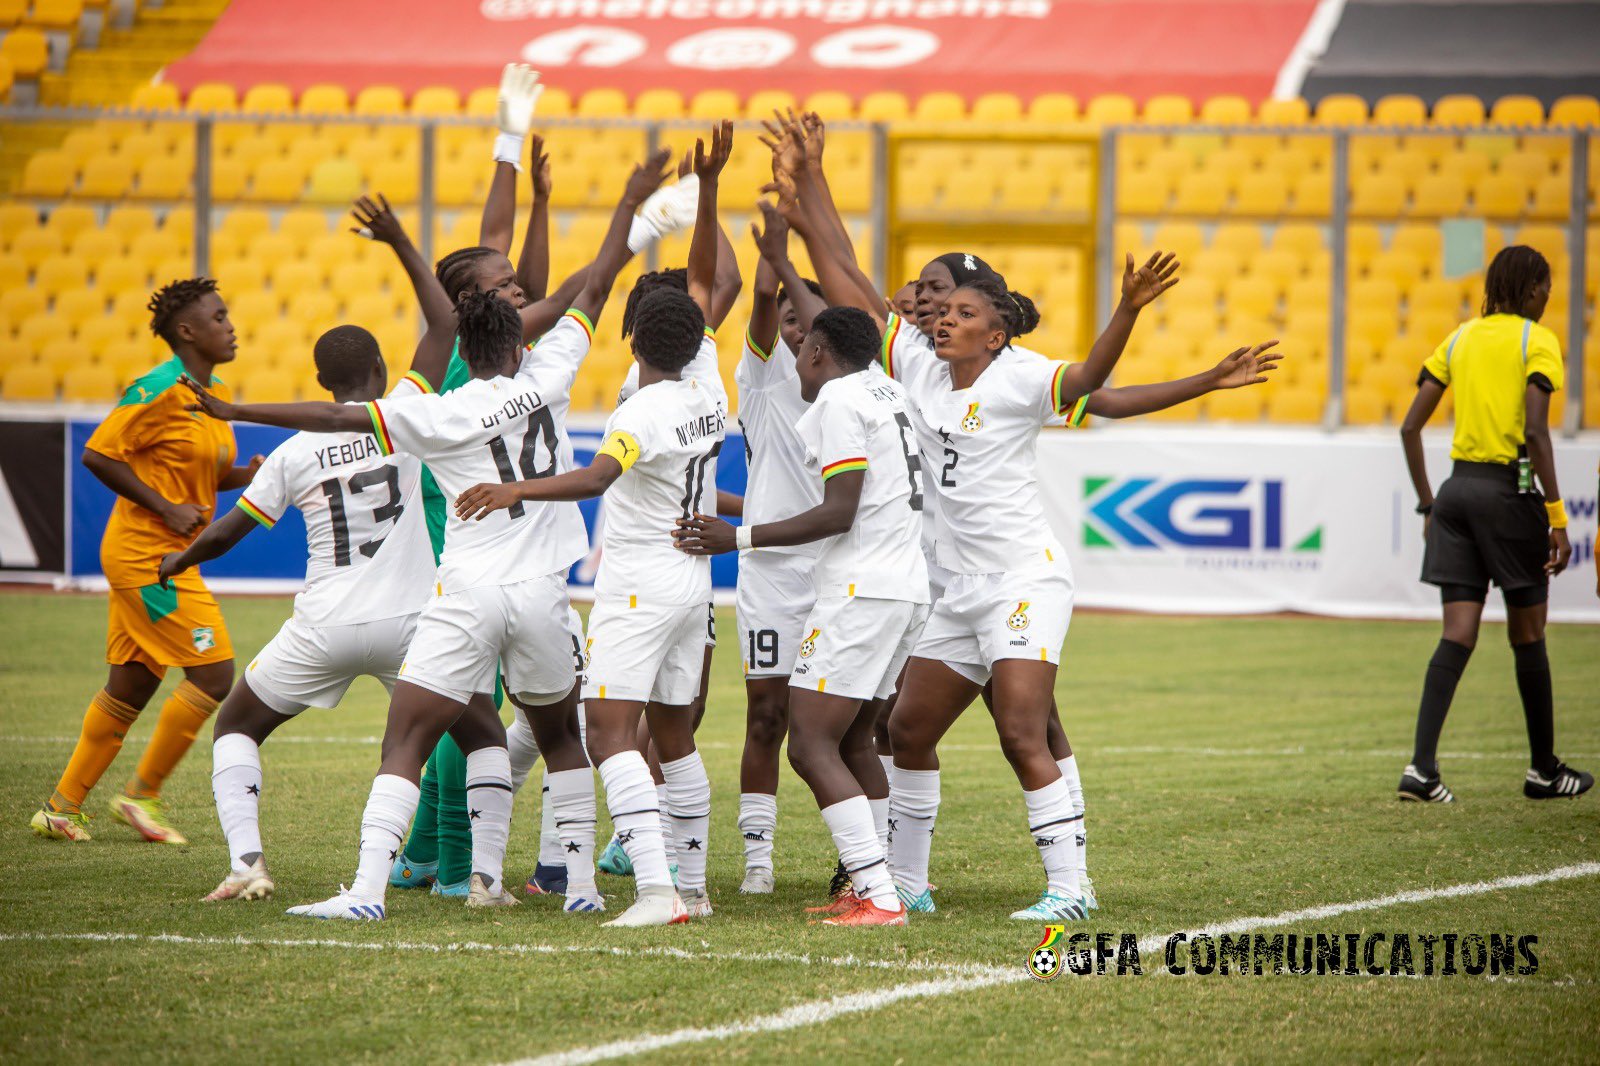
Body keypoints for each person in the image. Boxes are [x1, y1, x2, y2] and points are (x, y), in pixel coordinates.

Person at [181, 149, 671, 919]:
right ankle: (577, 889)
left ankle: (367, 893)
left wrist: (239, 411)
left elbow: (338, 418)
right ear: (518, 340)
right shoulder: (551, 373)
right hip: (544, 590)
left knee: (406, 740)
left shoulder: (439, 414)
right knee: (559, 737)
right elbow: (596, 283)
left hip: (468, 590)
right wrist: (633, 212)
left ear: (463, 350)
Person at [456, 124, 733, 927]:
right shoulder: (710, 386)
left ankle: (654, 892)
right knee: (676, 741)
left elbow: (597, 476)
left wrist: (518, 492)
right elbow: (708, 283)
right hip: (695, 589)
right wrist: (706, 191)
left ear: (636, 341)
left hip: (640, 585)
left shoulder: (641, 408)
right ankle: (696, 887)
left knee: (611, 733)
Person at [877, 264, 1174, 921]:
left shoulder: (1023, 376)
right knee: (908, 727)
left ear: (996, 334)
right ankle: (908, 884)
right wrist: (809, 186)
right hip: (959, 588)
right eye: (942, 310)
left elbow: (1094, 383)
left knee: (1021, 732)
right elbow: (846, 279)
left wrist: (1125, 308)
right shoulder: (922, 369)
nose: (944, 318)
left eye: (962, 312)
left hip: (1023, 582)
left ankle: (1069, 890)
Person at [158, 322, 437, 902]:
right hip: (411, 621)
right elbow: (439, 333)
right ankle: (481, 874)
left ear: (320, 382)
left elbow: (228, 532)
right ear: (382, 369)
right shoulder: (406, 412)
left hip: (324, 624)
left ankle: (247, 864)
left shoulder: (291, 453)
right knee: (473, 731)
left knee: (236, 725)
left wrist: (177, 561)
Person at [676, 303, 928, 927]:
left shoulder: (839, 401)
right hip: (906, 587)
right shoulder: (889, 390)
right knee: (851, 739)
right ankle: (873, 884)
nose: (797, 365)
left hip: (861, 590)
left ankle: (878, 895)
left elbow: (837, 511)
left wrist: (737, 538)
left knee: (809, 743)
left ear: (816, 352)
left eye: (802, 352)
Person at [30, 278, 263, 846]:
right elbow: (98, 453)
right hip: (148, 557)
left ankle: (61, 809)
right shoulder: (158, 388)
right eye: (219, 315)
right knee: (214, 673)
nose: (230, 325)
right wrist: (163, 507)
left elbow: (194, 473)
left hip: (170, 556)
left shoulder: (210, 393)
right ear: (187, 331)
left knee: (131, 685)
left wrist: (244, 477)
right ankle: (140, 797)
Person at [1398, 244, 1590, 803]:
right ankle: (1544, 772)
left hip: (1456, 494)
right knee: (1528, 634)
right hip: (1510, 495)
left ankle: (1421, 769)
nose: (1549, 296)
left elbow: (1410, 428)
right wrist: (1556, 517)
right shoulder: (1538, 341)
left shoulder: (1459, 337)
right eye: (1545, 287)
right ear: (1530, 289)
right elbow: (1535, 429)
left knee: (1456, 634)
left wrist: (1429, 505)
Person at [729, 209, 828, 895]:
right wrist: (779, 241)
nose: (796, 329)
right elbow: (765, 297)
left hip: (843, 572)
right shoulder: (763, 379)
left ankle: (870, 859)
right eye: (788, 320)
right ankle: (758, 861)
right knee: (766, 717)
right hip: (770, 575)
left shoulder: (857, 392)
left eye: (809, 321)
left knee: (853, 724)